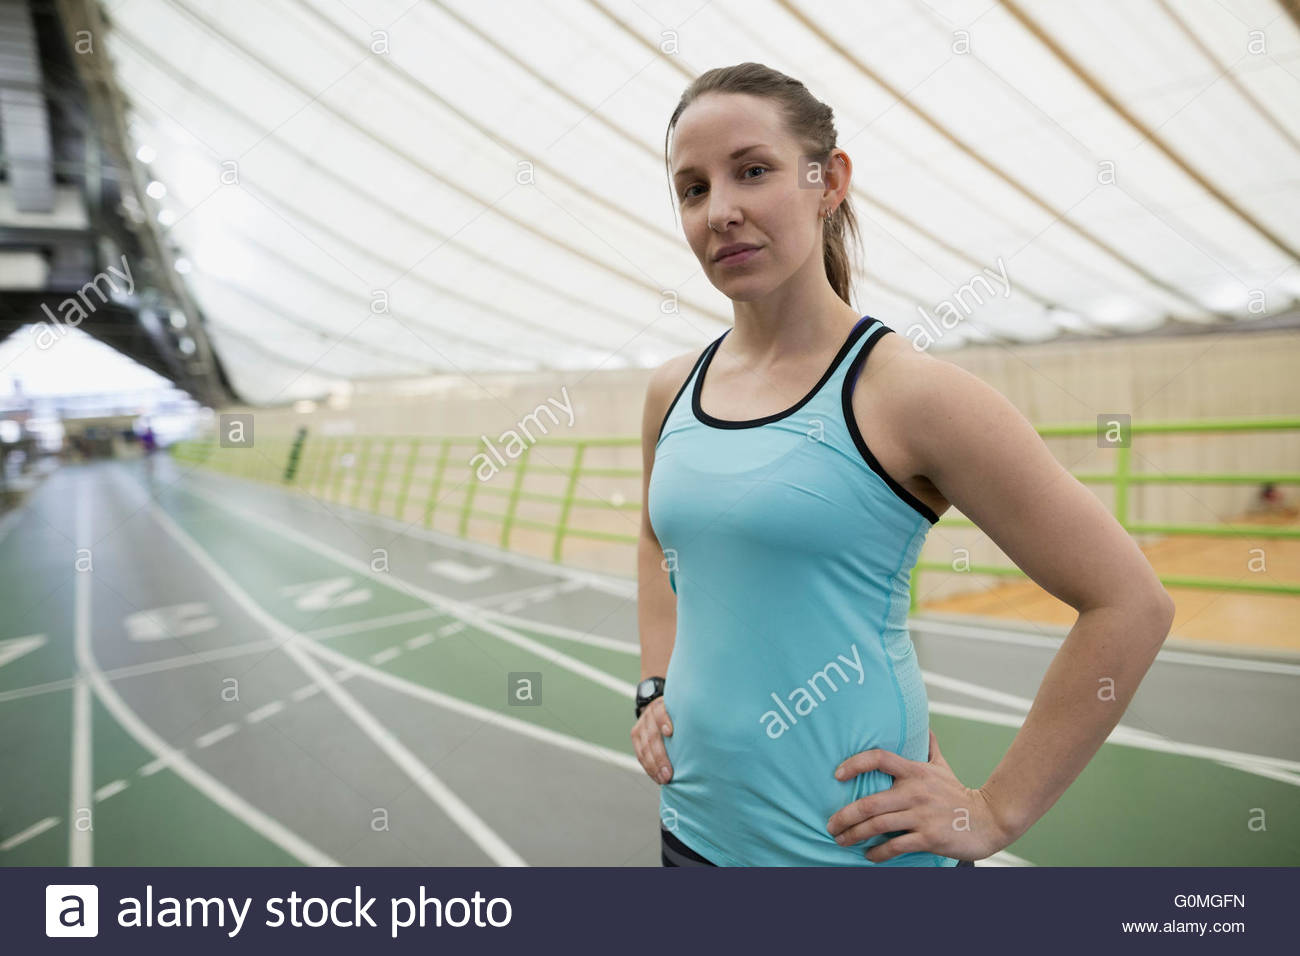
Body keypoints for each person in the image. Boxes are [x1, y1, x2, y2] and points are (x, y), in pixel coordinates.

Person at [631, 62, 1175, 867]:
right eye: (693, 188)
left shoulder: (910, 395)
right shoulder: (672, 389)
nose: (723, 210)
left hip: (858, 861)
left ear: (830, 181)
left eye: (753, 171)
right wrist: (654, 685)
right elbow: (654, 539)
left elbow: (1131, 601)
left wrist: (994, 811)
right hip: (692, 834)